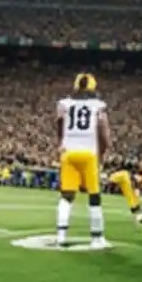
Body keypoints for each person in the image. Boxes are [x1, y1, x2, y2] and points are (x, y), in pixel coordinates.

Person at [55, 73, 112, 249]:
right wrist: (104, 149)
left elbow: (59, 122)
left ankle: (61, 235)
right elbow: (103, 130)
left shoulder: (64, 103)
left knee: (67, 196)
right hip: (88, 153)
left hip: (69, 153)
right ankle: (97, 238)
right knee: (94, 196)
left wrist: (62, 142)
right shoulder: (98, 105)